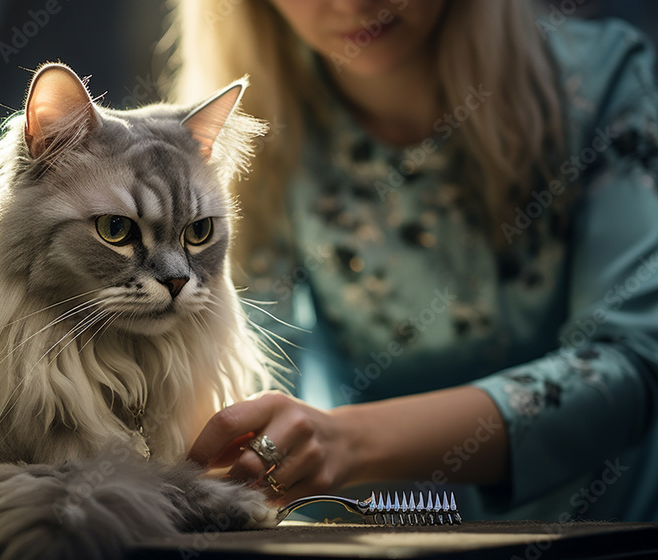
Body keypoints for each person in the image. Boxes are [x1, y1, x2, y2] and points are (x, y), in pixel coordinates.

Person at [170, 0, 658, 521]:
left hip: (609, 529)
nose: (354, 4)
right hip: (366, 534)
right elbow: (248, 375)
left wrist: (348, 441)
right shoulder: (254, 122)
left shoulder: (599, 81)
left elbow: (636, 362)